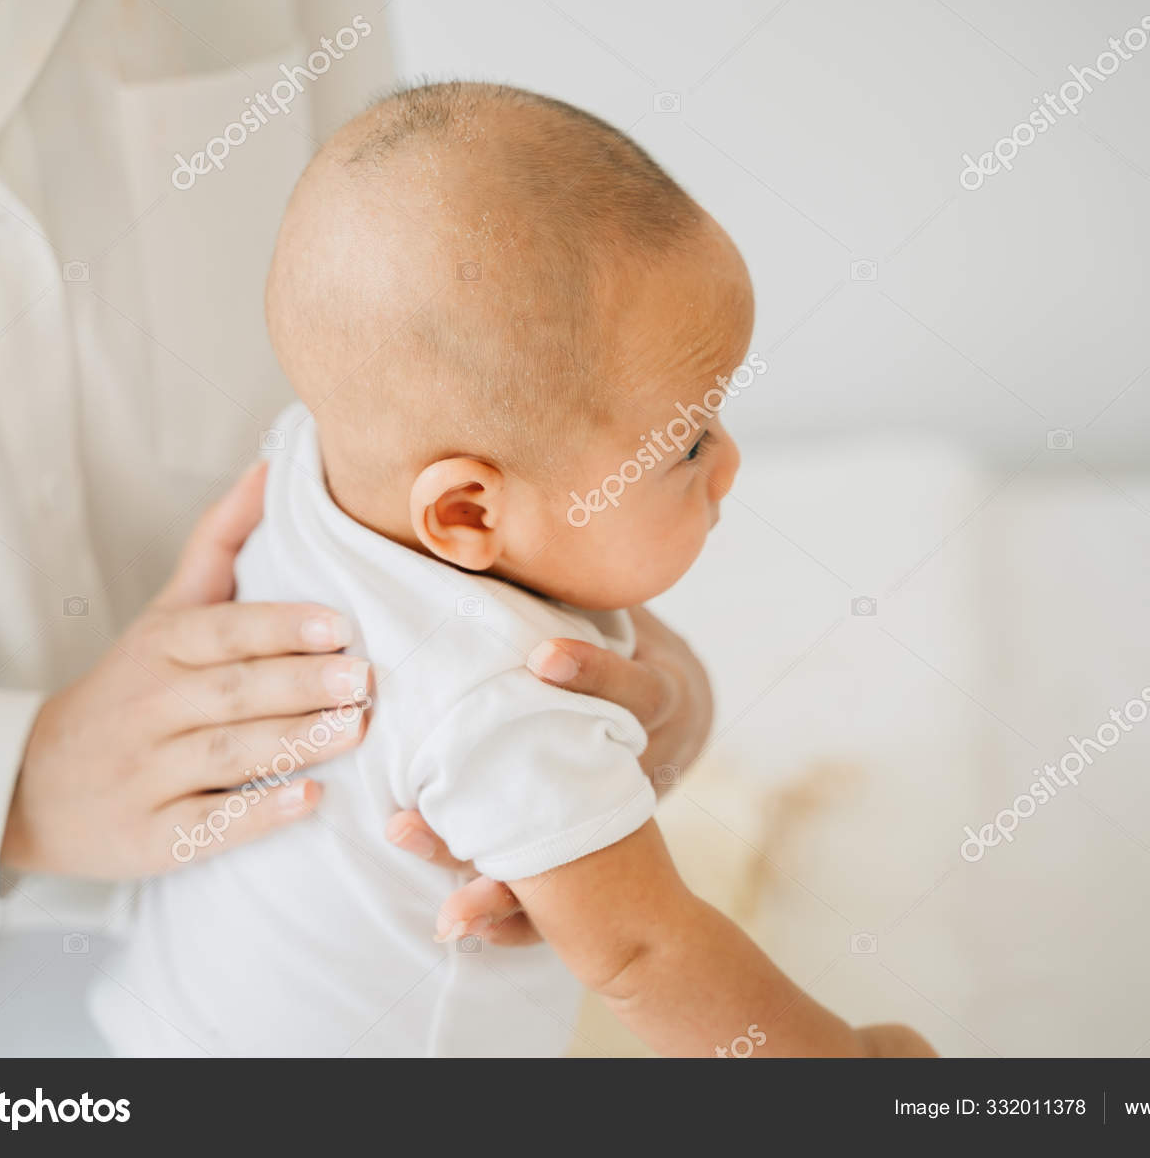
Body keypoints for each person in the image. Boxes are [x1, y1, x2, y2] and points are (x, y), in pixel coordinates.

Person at [0, 0, 711, 1055]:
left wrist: (611, 654)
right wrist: (12, 786)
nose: (730, 465)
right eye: (694, 441)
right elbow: (663, 965)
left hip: (254, 930)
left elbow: (439, 369)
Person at [92, 83, 936, 1057]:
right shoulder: (504, 706)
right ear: (467, 514)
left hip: (156, 1015)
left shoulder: (309, 459)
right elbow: (645, 952)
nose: (731, 463)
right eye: (688, 444)